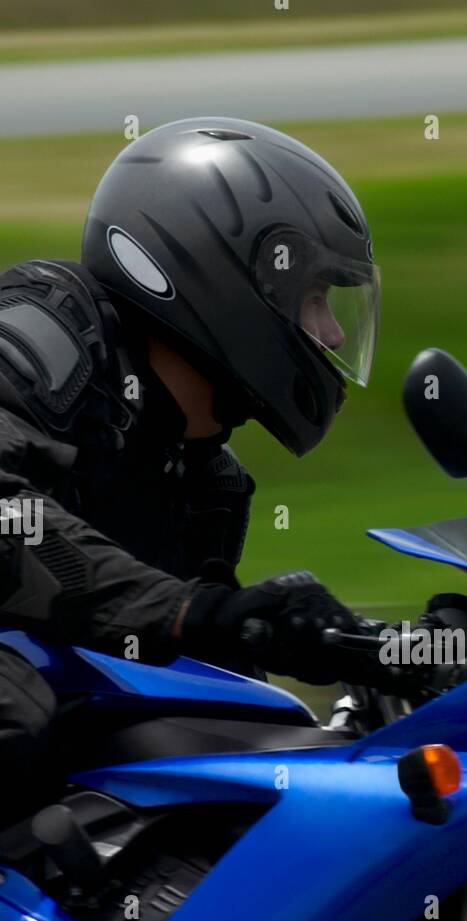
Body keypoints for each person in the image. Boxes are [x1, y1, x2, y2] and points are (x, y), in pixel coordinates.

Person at [0, 116, 380, 803]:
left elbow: (200, 671)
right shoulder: (43, 333)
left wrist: (373, 650)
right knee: (12, 710)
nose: (328, 332)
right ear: (226, 277)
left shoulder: (202, 475)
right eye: (314, 298)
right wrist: (189, 611)